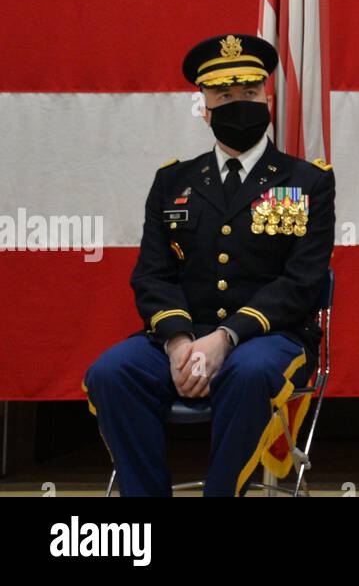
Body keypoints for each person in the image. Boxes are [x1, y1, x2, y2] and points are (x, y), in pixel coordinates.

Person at [83, 34, 335, 496]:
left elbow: (303, 280)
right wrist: (179, 341)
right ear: (204, 106)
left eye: (249, 93)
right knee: (111, 372)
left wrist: (227, 337)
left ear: (267, 96)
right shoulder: (172, 181)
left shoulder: (307, 181)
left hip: (270, 338)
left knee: (250, 372)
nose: (239, 103)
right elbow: (152, 274)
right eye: (223, 95)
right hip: (184, 334)